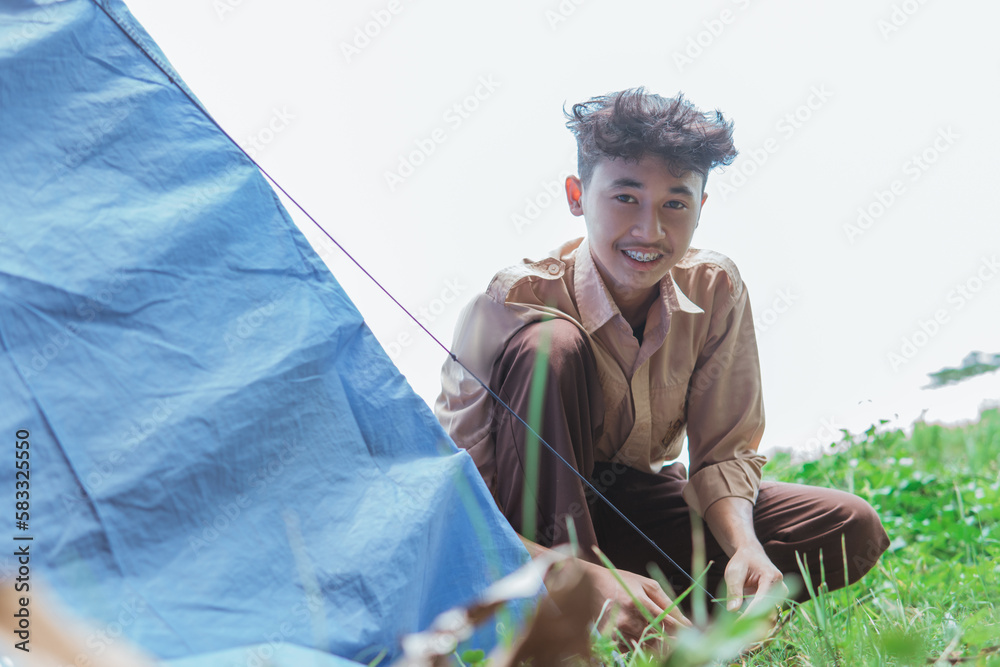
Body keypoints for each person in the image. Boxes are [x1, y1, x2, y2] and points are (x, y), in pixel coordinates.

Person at [434, 87, 890, 643]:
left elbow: (724, 452)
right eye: (626, 198)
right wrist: (577, 573)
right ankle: (578, 615)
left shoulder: (715, 287)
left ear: (702, 207)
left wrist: (745, 547)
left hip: (640, 504)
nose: (650, 231)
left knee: (847, 524)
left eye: (675, 203)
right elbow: (462, 500)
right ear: (577, 196)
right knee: (548, 344)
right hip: (532, 532)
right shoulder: (512, 300)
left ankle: (679, 622)